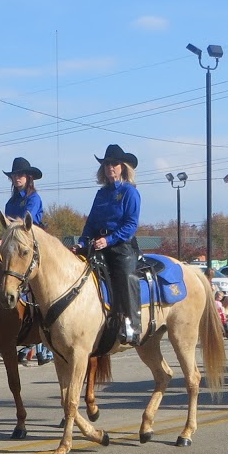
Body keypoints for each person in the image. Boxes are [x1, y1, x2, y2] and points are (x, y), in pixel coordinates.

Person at [79, 144, 143, 344]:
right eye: (107, 164)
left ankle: (133, 324)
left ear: (123, 167)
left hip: (121, 245)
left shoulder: (129, 192)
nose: (110, 167)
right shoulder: (101, 193)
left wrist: (108, 240)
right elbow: (90, 223)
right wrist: (81, 243)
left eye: (114, 164)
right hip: (96, 243)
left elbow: (131, 224)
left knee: (124, 276)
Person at [2, 156, 51, 365]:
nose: (17, 178)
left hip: (32, 246)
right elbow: (7, 226)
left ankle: (41, 333)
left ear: (28, 177)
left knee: (35, 289)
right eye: (14, 175)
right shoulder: (10, 202)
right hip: (13, 244)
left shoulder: (33, 198)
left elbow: (25, 224)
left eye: (20, 175)